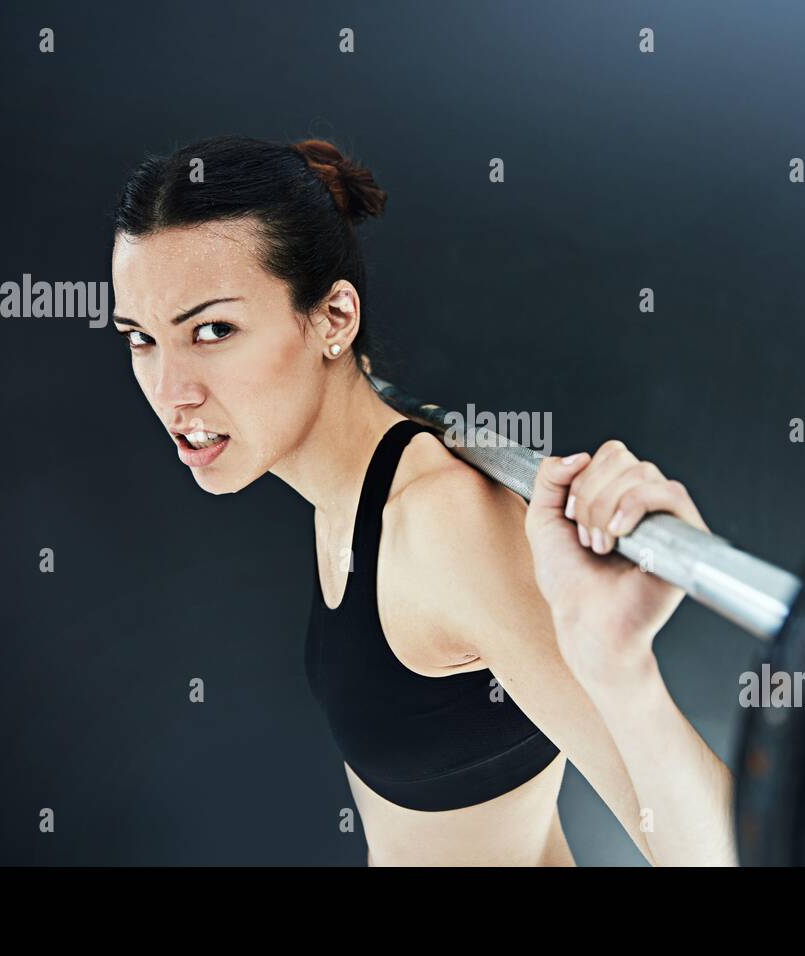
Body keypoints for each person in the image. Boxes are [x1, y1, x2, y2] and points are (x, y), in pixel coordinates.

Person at [109, 135, 736, 865]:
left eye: (213, 330)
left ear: (334, 320)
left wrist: (618, 668)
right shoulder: (344, 481)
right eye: (140, 338)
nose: (171, 393)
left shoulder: (440, 525)